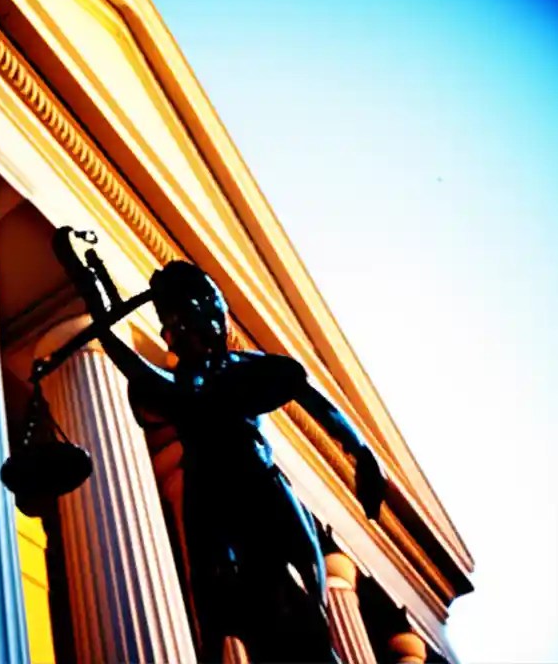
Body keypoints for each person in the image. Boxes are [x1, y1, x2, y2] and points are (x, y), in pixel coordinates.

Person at [57, 229, 386, 662]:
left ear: (204, 320)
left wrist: (359, 449)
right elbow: (129, 362)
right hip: (210, 501)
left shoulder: (246, 370)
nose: (170, 338)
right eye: (167, 328)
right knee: (215, 612)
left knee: (307, 598)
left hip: (261, 489)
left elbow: (310, 398)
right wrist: (89, 286)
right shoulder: (184, 386)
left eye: (176, 326)